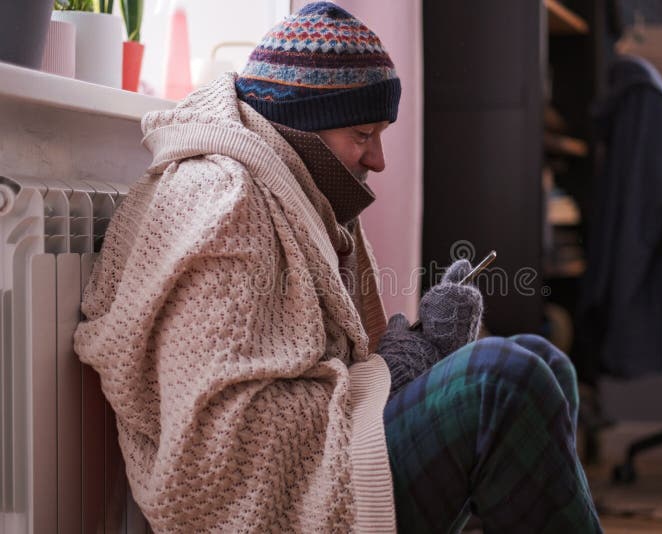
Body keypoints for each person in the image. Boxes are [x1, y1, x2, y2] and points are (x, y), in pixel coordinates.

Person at [74, 2, 602, 533]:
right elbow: (225, 445)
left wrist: (426, 348)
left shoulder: (301, 189)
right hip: (273, 495)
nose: (378, 161)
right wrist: (412, 359)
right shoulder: (221, 200)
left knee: (541, 359)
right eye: (363, 134)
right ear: (305, 126)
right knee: (506, 380)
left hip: (331, 444)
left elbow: (329, 364)